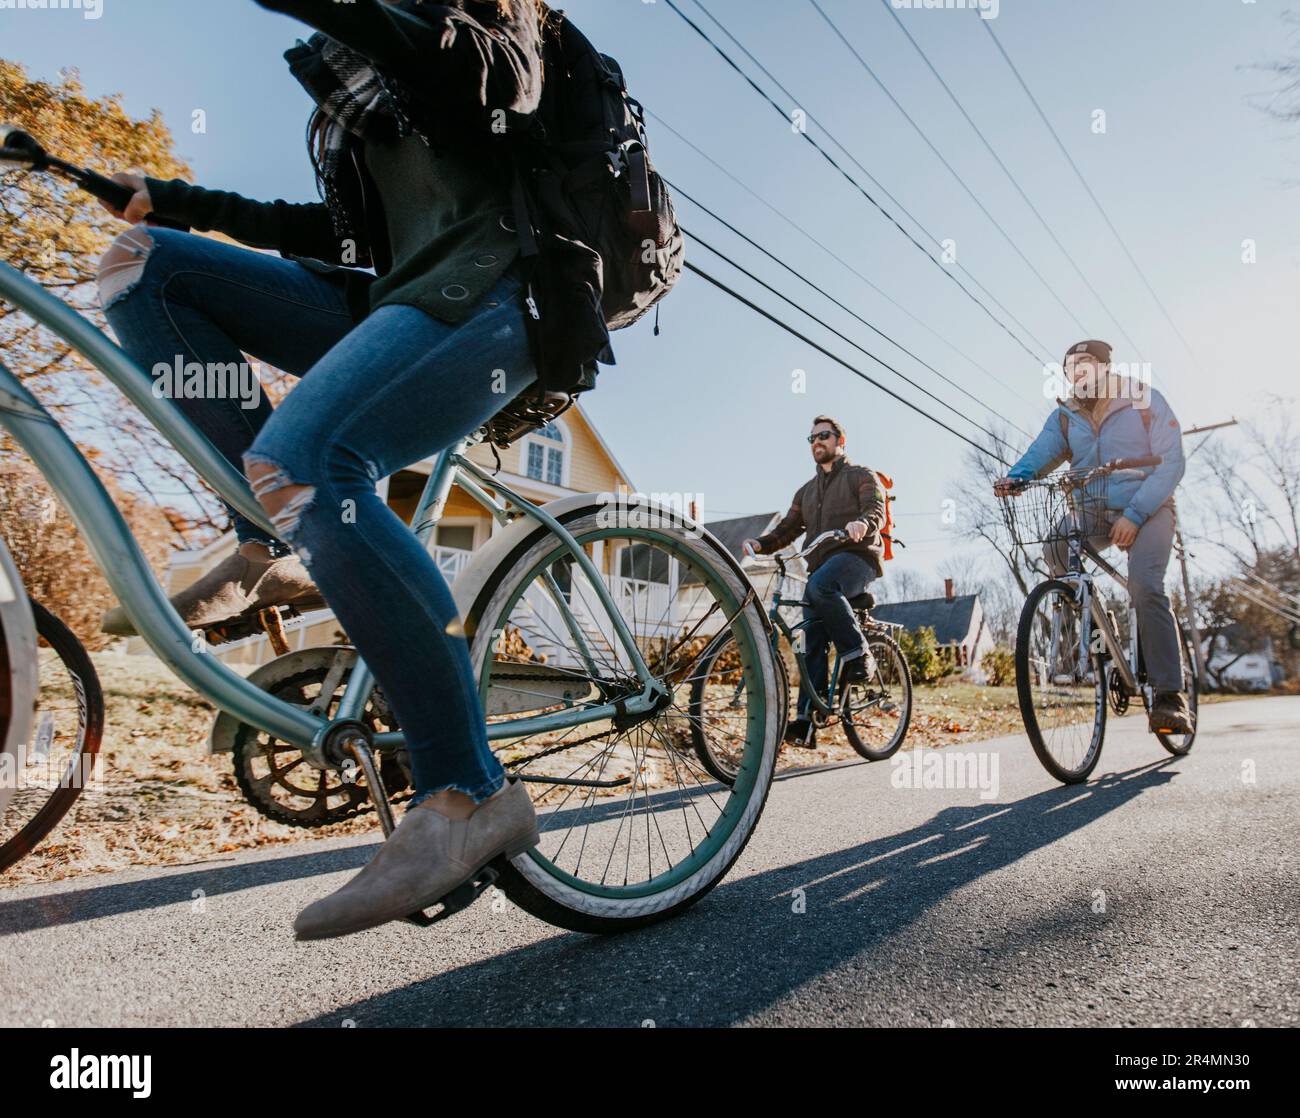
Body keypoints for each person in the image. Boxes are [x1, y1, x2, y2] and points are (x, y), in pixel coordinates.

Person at [94, 0, 557, 939]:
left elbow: (483, 79)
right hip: (387, 296)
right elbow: (319, 230)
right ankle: (269, 536)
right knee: (144, 266)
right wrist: (170, 197)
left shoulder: (491, 33)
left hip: (503, 288)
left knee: (310, 458)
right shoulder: (354, 99)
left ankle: (466, 793)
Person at [993, 339, 1193, 735]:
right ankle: (1101, 634)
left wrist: (1135, 515)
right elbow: (1040, 453)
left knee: (1145, 586)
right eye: (1069, 366)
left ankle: (1171, 697)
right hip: (1091, 509)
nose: (1075, 371)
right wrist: (1016, 476)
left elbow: (1172, 461)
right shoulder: (1067, 415)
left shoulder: (1142, 399)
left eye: (1084, 363)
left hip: (1149, 507)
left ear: (1105, 367)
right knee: (1054, 547)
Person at [744, 416, 887, 749]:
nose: (817, 442)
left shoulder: (861, 476)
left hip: (857, 558)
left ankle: (858, 653)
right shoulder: (805, 492)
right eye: (811, 438)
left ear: (841, 440)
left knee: (821, 586)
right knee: (807, 639)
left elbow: (875, 508)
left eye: (824, 436)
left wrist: (862, 524)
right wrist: (760, 544)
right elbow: (788, 530)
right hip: (820, 567)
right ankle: (808, 722)